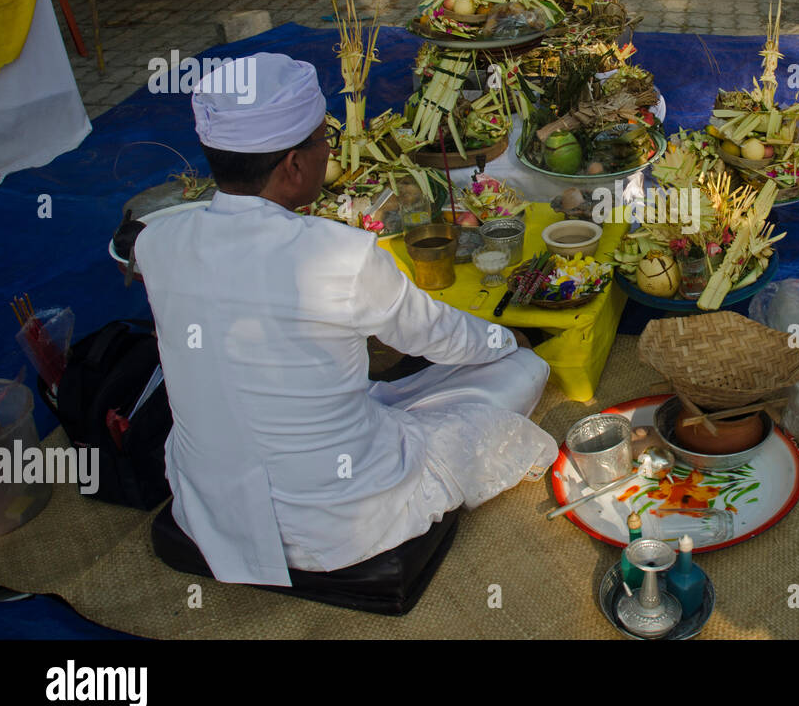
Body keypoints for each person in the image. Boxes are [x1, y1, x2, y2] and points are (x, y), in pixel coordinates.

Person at [134, 53, 557, 586]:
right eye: (322, 141)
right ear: (292, 164)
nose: (330, 149)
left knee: (369, 393)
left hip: (212, 511)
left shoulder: (156, 242)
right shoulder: (341, 254)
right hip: (342, 524)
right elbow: (443, 337)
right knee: (521, 371)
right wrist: (506, 339)